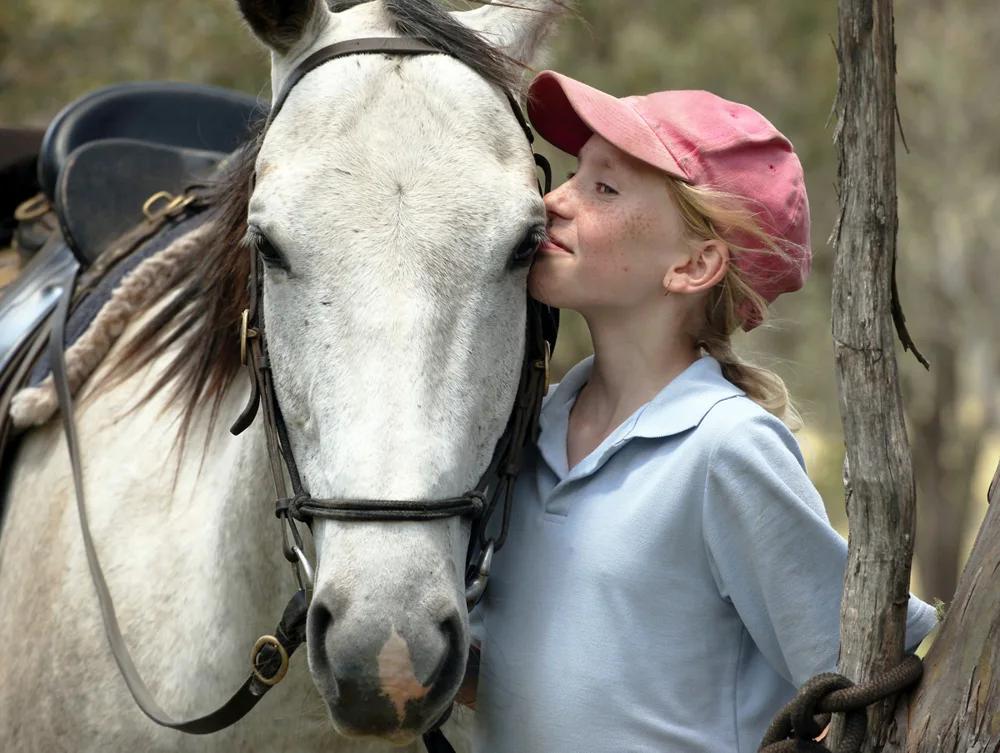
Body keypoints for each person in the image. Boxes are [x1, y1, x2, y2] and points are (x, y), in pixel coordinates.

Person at [467, 71, 939, 753]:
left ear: (695, 264)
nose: (553, 202)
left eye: (603, 188)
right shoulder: (525, 432)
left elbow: (873, 667)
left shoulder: (725, 448)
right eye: (571, 174)